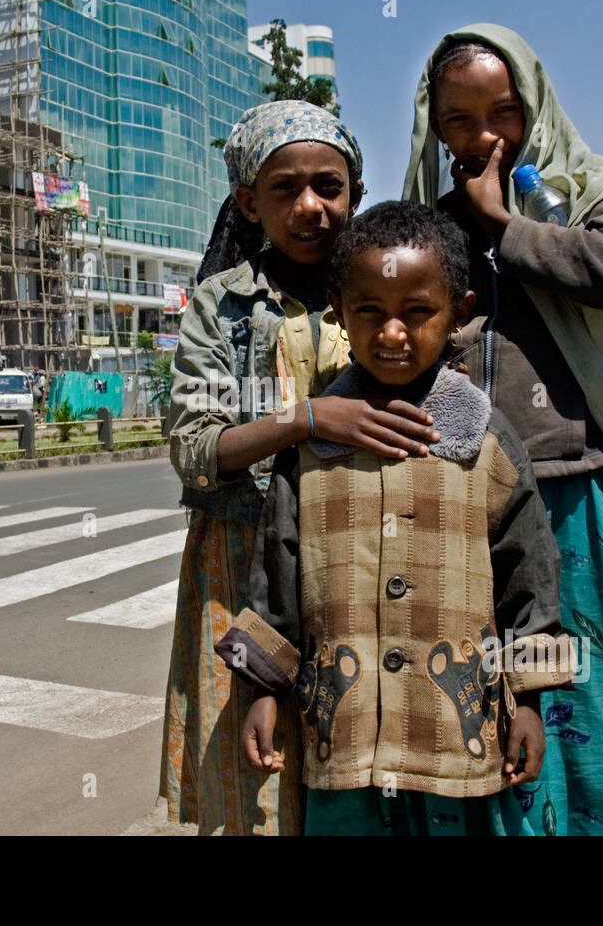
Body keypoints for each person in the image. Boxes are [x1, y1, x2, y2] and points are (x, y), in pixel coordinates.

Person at [402, 24, 603, 836]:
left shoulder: (586, 185)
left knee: (591, 703)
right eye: (457, 120)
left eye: (502, 112)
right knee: (484, 707)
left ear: (534, 106)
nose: (483, 136)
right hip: (467, 504)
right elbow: (408, 340)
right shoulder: (427, 222)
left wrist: (505, 228)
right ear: (432, 126)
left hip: (577, 494)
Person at [215, 202, 574, 835]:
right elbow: (277, 573)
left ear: (457, 314)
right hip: (341, 738)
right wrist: (263, 690)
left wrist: (532, 701)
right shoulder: (311, 446)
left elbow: (531, 579)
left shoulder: (486, 442)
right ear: (340, 314)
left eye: (418, 312)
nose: (392, 334)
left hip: (453, 738)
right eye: (370, 312)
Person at [160, 102, 442, 835]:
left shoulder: (388, 289)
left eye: (329, 185)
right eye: (285, 189)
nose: (310, 206)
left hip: (365, 564)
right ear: (249, 201)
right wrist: (308, 419)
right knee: (255, 786)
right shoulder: (221, 307)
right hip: (240, 559)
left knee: (359, 768)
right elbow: (195, 451)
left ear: (355, 189)